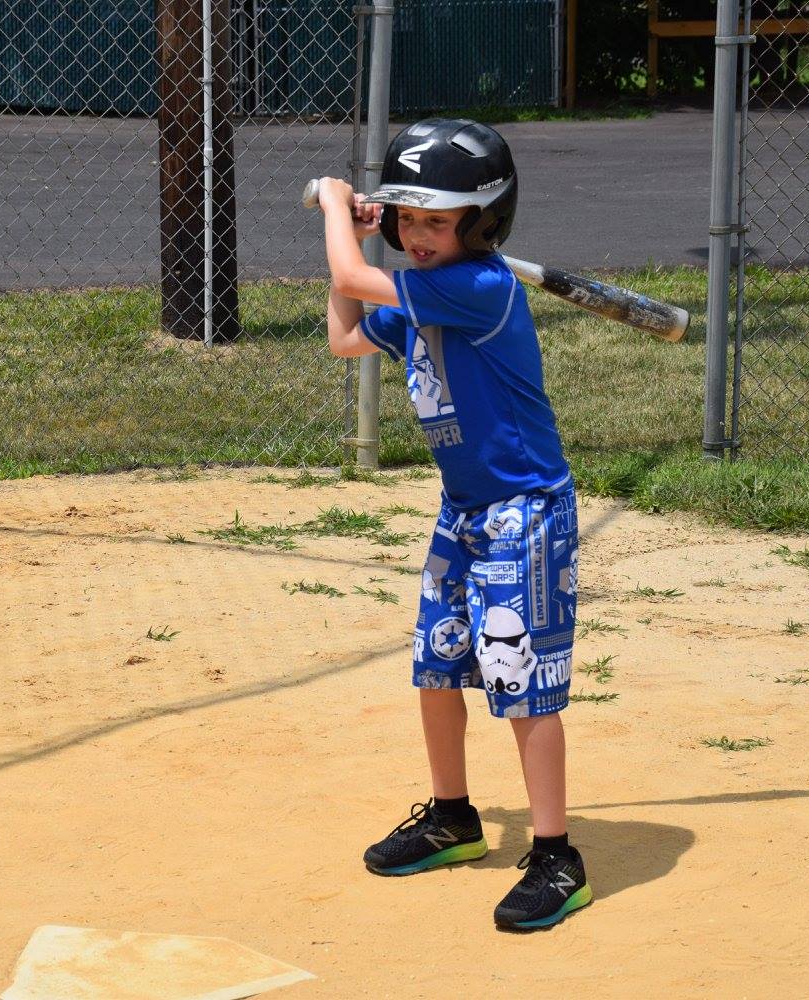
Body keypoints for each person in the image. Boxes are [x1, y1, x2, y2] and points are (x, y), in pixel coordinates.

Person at [316, 118, 589, 931]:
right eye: (406, 219)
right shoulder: (421, 288)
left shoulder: (480, 287)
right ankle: (453, 816)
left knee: (524, 689)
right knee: (439, 671)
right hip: (465, 513)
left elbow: (348, 271)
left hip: (524, 514)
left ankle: (555, 855)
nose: (416, 236)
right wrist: (360, 248)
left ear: (482, 223)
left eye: (434, 222)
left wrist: (338, 209)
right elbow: (343, 335)